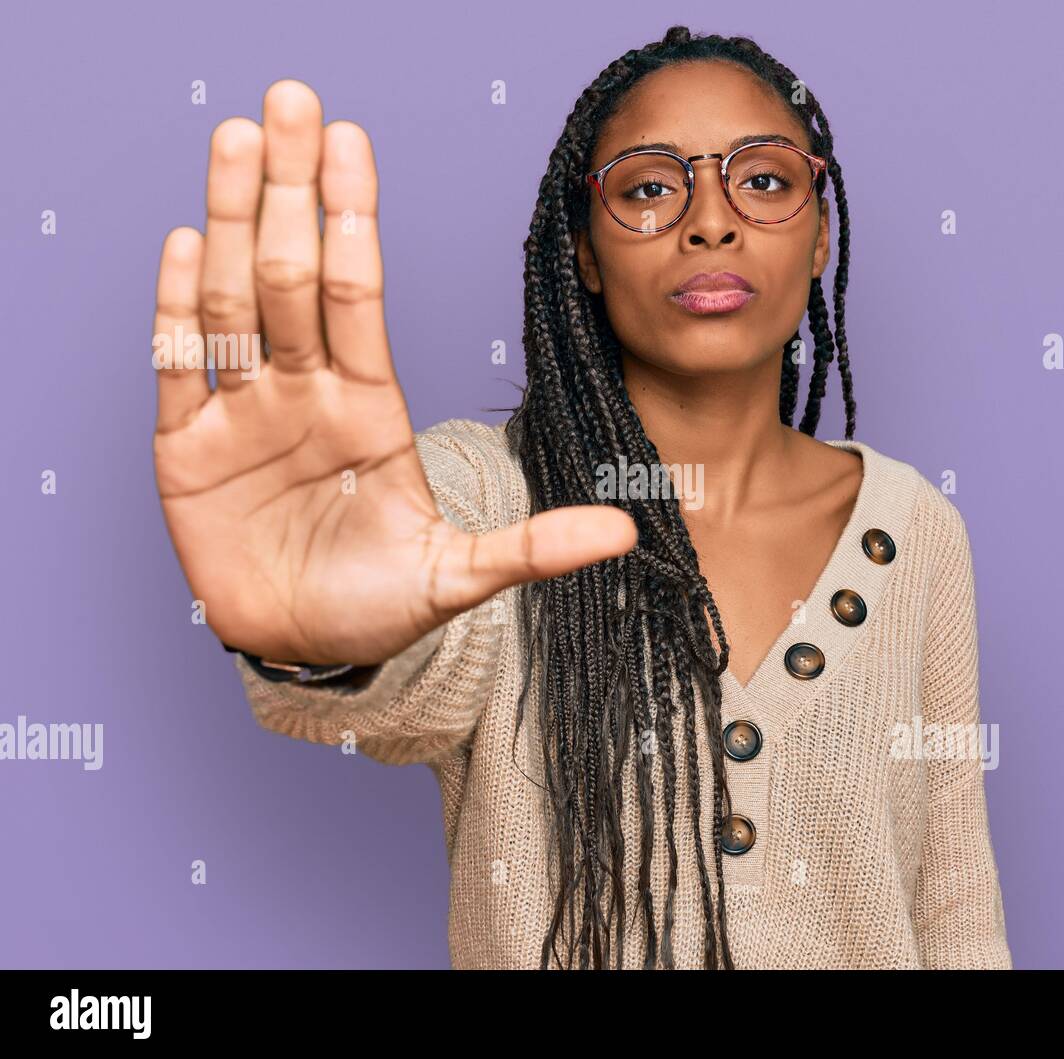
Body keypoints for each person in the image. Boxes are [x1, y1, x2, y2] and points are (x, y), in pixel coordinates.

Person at [150, 24, 1012, 970]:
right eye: (649, 187)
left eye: (764, 180)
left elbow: (955, 902)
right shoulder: (484, 497)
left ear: (820, 237)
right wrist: (317, 639)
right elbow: (408, 677)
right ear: (586, 256)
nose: (711, 222)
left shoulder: (915, 529)